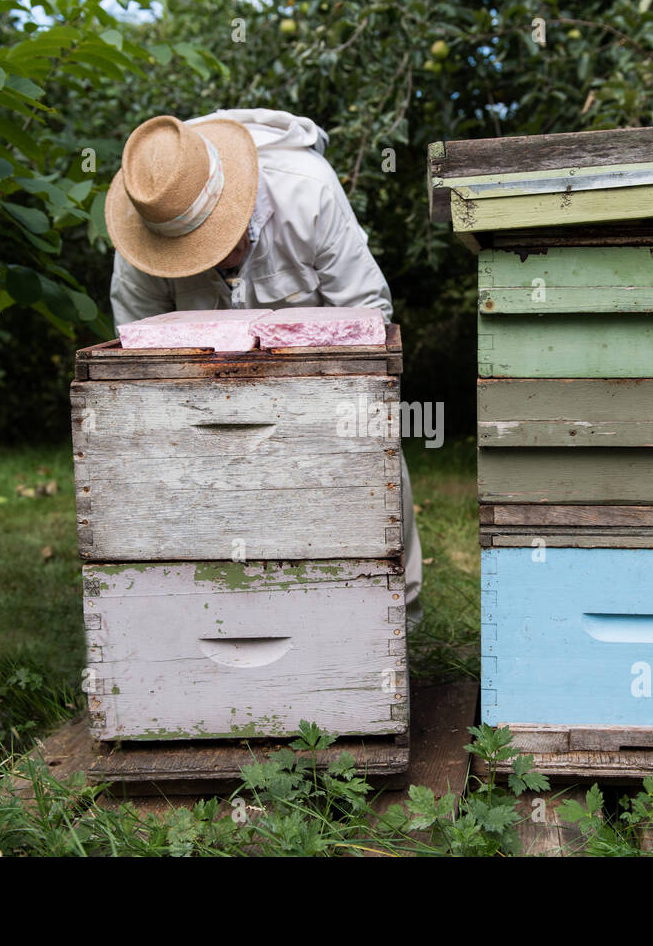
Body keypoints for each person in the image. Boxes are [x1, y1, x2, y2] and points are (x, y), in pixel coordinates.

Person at [103, 108, 422, 626]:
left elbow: (369, 318)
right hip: (198, 407)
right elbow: (137, 363)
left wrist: (314, 407)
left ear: (240, 202)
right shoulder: (144, 234)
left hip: (323, 391)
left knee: (376, 453)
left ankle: (393, 621)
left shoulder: (308, 190)